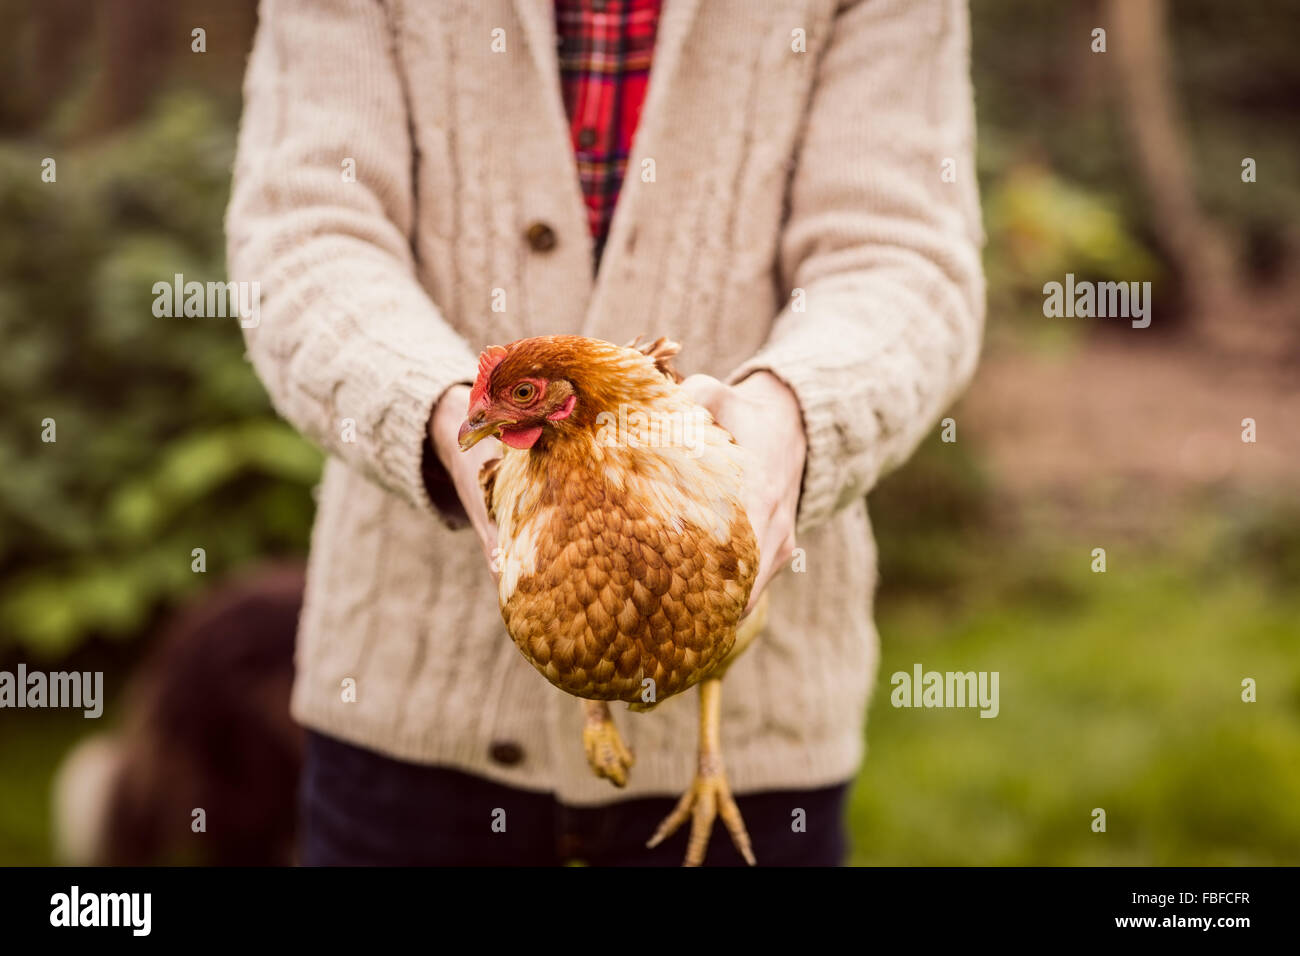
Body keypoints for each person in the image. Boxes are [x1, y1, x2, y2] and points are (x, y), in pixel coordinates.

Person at [225, 0, 984, 866]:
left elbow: (902, 252)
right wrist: (441, 417)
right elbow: (302, 230)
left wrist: (791, 418)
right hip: (408, 724)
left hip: (756, 747)